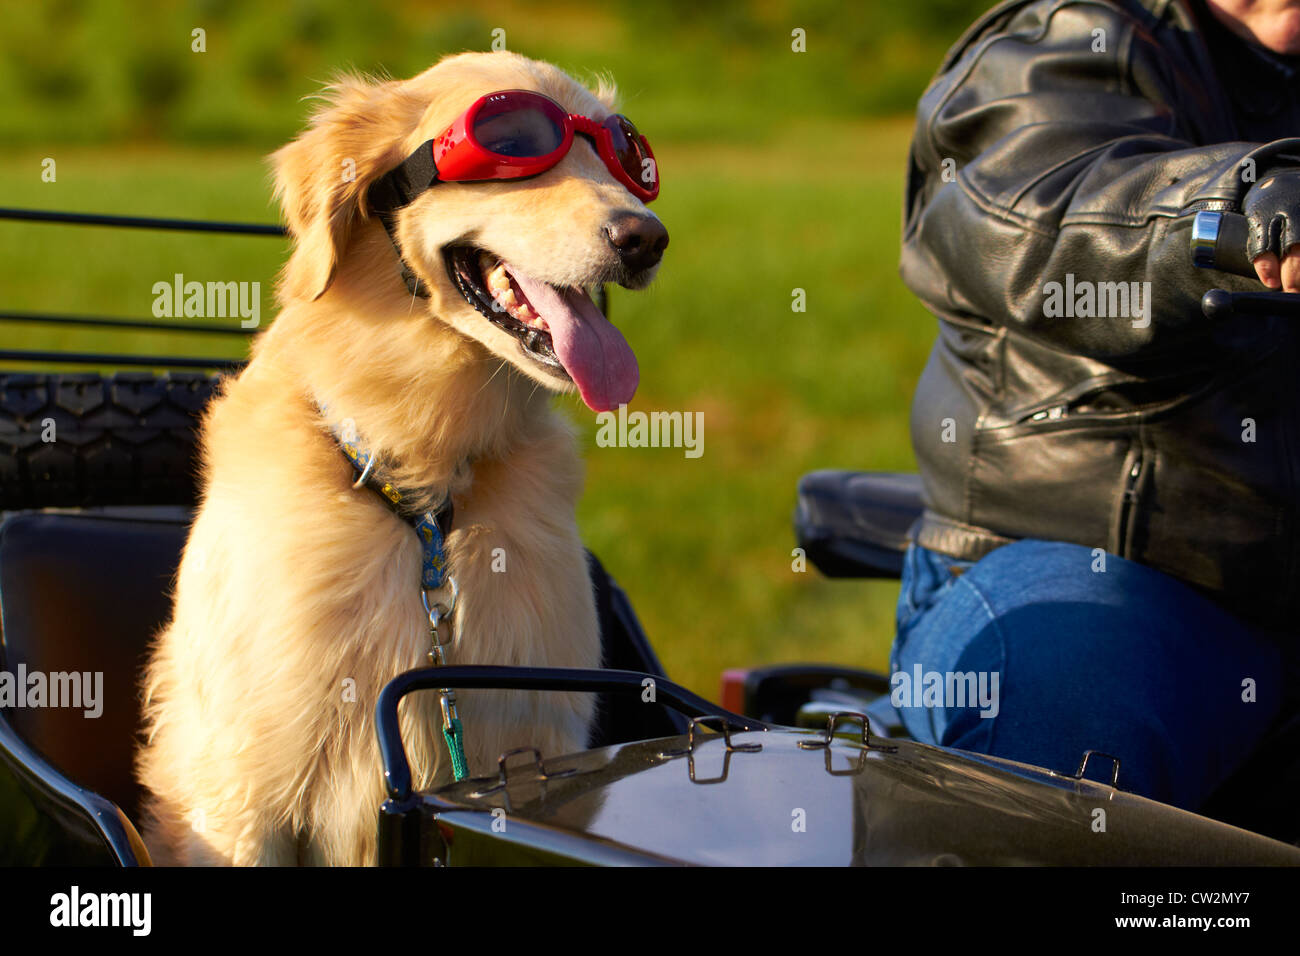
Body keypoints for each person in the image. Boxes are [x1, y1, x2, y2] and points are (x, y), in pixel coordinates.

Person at [893, 0, 1300, 812]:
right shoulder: (1067, 41)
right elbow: (1051, 218)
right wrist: (1247, 210)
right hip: (1098, 570)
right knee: (1074, 718)